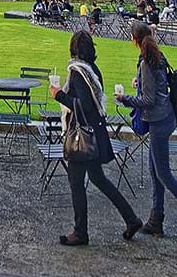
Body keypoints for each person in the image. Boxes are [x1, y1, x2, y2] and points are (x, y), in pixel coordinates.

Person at [115, 21, 177, 249]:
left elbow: (149, 100)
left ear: (134, 40)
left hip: (159, 121)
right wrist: (140, 83)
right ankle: (156, 220)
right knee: (155, 171)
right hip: (166, 117)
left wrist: (125, 99)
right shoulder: (157, 56)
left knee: (165, 175)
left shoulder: (146, 62)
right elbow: (158, 85)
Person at [53, 31, 141, 247]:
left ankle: (80, 232)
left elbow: (83, 105)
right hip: (96, 132)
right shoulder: (93, 70)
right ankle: (131, 219)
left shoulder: (77, 73)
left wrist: (59, 95)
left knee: (76, 183)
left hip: (83, 136)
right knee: (98, 178)